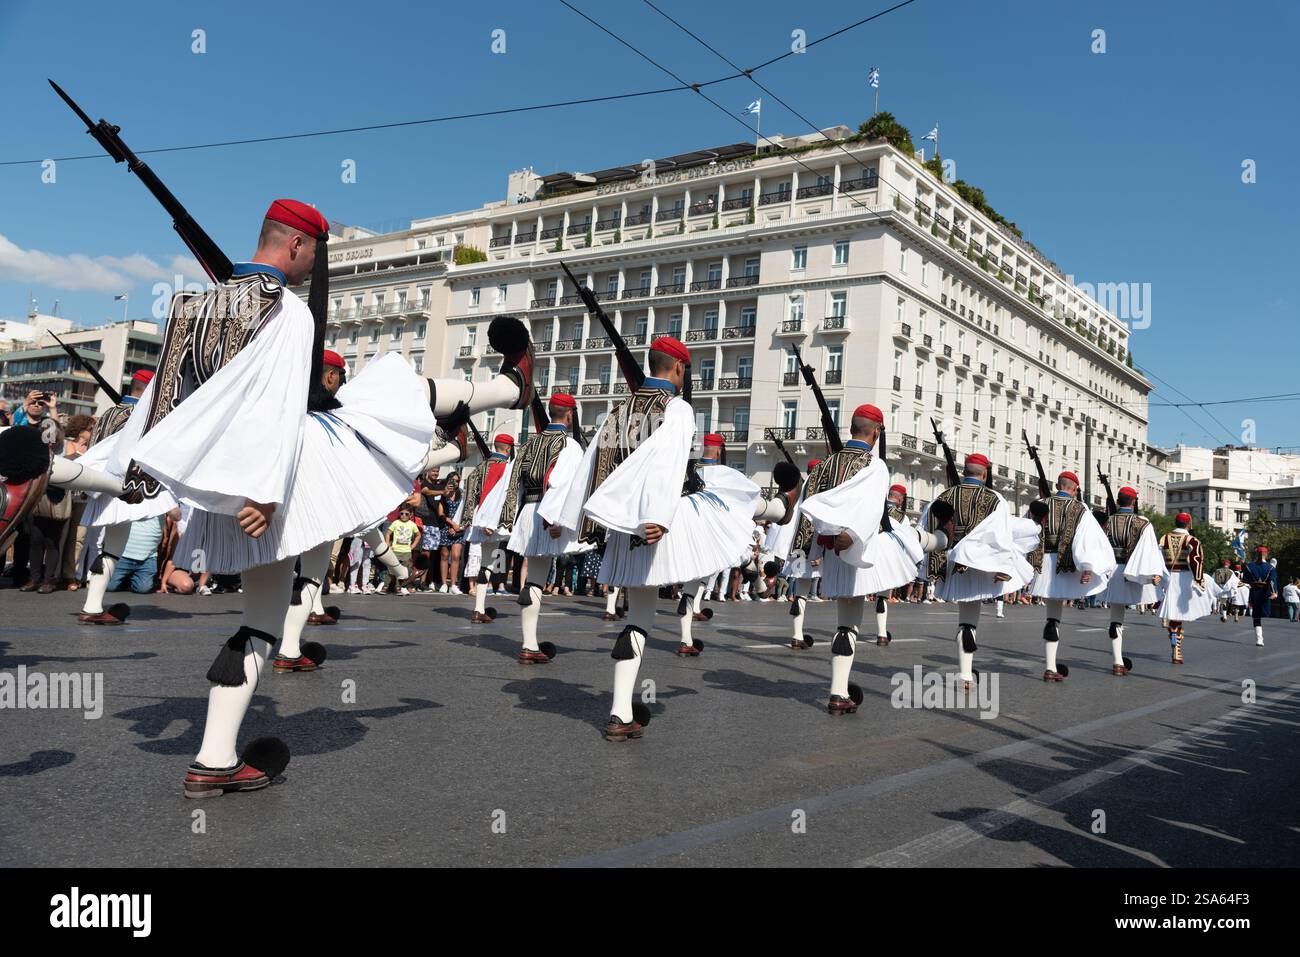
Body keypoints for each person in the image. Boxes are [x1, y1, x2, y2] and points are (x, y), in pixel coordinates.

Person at [553, 337, 764, 741]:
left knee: (637, 618)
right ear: (680, 369)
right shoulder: (677, 407)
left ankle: (619, 712)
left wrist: (587, 523)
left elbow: (595, 468)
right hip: (657, 523)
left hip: (623, 528)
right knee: (650, 612)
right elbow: (667, 463)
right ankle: (622, 708)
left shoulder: (617, 411)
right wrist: (657, 517)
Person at [797, 408, 950, 714]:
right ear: (876, 432)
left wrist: (807, 551)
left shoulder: (825, 464)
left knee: (844, 621)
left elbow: (807, 503)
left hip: (830, 549)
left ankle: (840, 688)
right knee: (849, 625)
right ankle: (838, 692)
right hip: (857, 547)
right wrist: (852, 536)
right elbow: (867, 509)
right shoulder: (874, 465)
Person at [925, 452, 1041, 691]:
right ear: (985, 473)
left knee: (964, 620)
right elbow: (1001, 536)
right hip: (981, 567)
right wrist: (1004, 567)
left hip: (953, 564)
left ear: (964, 471)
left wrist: (932, 567)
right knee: (970, 622)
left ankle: (965, 673)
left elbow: (929, 528)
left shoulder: (945, 494)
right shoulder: (994, 497)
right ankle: (966, 676)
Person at [500, 391, 586, 663]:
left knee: (534, 578)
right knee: (537, 578)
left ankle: (529, 642)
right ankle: (529, 644)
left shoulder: (529, 443)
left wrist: (508, 516)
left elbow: (513, 482)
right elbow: (563, 484)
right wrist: (557, 519)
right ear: (570, 415)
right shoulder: (569, 445)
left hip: (528, 511)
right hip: (548, 513)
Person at [1026, 471, 1117, 682]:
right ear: (1074, 489)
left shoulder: (1040, 503)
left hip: (1041, 567)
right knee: (1054, 618)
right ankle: (1050, 668)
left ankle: (1050, 665)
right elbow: (1089, 539)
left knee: (1051, 616)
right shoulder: (1079, 507)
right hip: (1065, 567)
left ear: (1058, 484)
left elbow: (1026, 532)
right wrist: (1088, 567)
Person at [1098, 487, 1166, 675]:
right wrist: (1154, 573)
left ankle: (1118, 661)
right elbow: (1150, 551)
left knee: (1115, 618)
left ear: (1119, 501)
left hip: (1111, 573)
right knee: (1119, 619)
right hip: (1132, 572)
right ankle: (1119, 663)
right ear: (1134, 502)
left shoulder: (1106, 522)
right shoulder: (1142, 523)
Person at [460, 434, 515, 621]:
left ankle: (479, 609)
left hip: (477, 521)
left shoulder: (480, 467)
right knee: (488, 565)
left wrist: (469, 519)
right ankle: (478, 609)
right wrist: (492, 522)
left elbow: (469, 492)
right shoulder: (504, 467)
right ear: (508, 449)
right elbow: (501, 496)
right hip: (491, 522)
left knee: (486, 564)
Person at [1155, 513, 1213, 664]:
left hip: (1168, 577)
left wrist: (1157, 576)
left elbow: (1157, 558)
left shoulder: (1164, 538)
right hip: (1184, 578)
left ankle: (1174, 639)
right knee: (1179, 614)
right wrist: (1199, 580)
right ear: (1189, 525)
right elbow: (1195, 560)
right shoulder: (1192, 540)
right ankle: (1177, 649)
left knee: (1173, 615)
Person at [1242, 545, 1278, 647]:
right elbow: (1272, 581)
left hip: (1254, 593)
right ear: (1266, 554)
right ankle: (1260, 639)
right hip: (1266, 593)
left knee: (1256, 617)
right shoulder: (1271, 568)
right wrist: (1274, 592)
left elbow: (1245, 581)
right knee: (1266, 613)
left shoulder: (1249, 566)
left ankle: (1259, 639)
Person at [437, 472, 465, 594]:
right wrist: (451, 524)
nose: (455, 483)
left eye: (457, 481)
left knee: (456, 556)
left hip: (459, 528)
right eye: (452, 480)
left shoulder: (462, 494)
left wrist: (457, 526)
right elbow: (440, 513)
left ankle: (453, 584)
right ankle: (444, 583)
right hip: (445, 526)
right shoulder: (443, 494)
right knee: (444, 555)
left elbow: (466, 512)